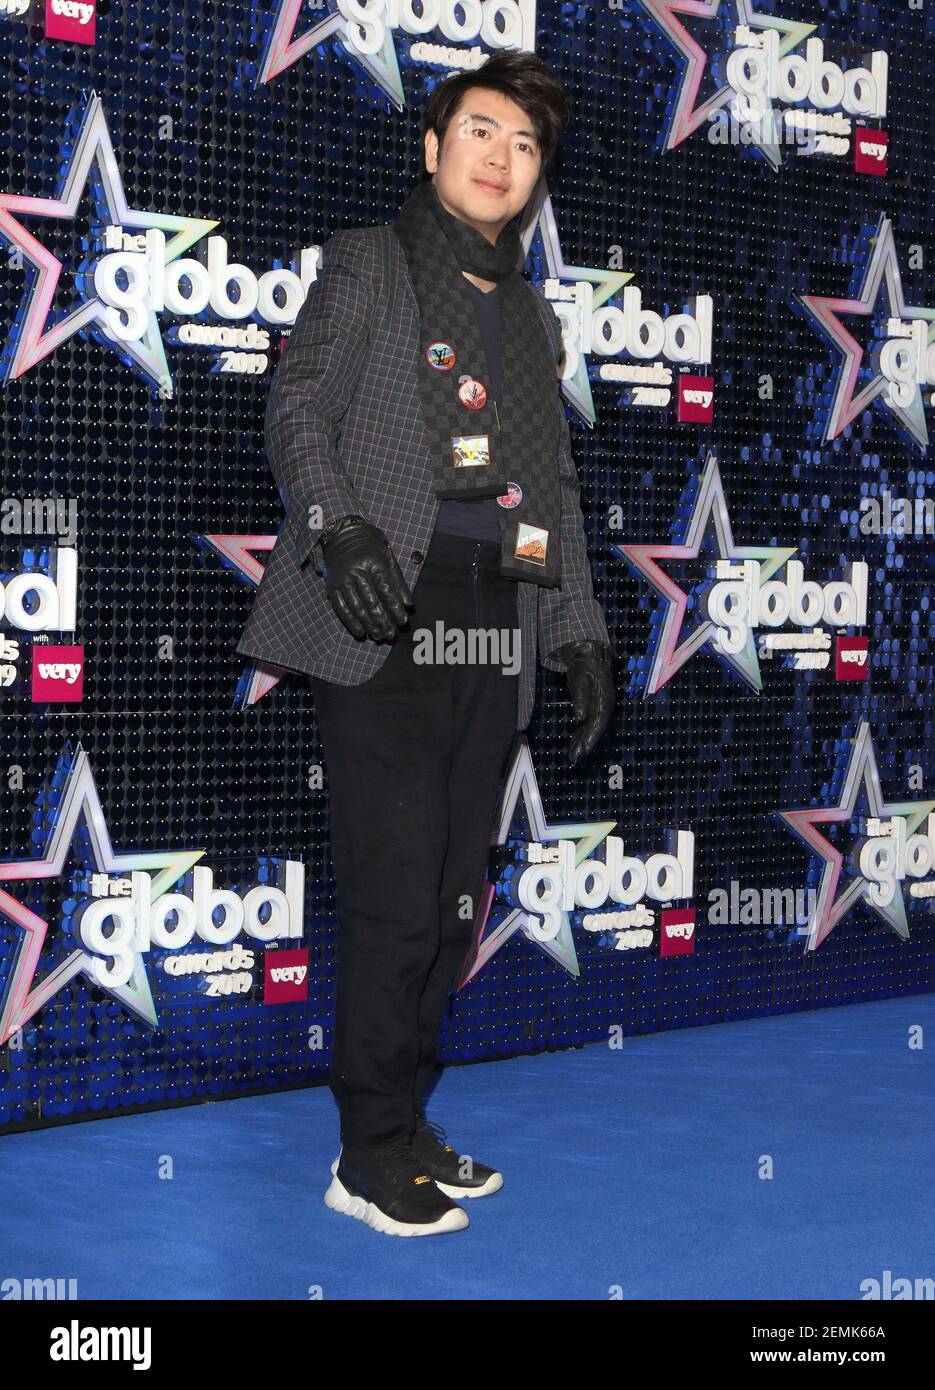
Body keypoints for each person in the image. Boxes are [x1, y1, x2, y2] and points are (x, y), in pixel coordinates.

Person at [236, 49, 615, 1237]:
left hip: (493, 615)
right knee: (397, 898)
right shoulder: (370, 263)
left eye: (525, 145)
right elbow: (296, 412)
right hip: (380, 610)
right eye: (481, 132)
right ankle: (363, 1151)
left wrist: (578, 627)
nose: (502, 159)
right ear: (432, 146)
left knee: (454, 901)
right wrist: (339, 528)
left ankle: (405, 1118)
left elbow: (546, 477)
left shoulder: (531, 313)